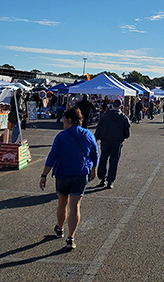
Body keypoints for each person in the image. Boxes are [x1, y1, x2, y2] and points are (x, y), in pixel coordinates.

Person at [40, 106, 98, 250]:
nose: (62, 122)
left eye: (64, 119)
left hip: (63, 174)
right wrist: (93, 168)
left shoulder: (61, 136)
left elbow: (52, 156)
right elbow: (94, 154)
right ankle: (71, 238)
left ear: (69, 120)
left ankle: (60, 228)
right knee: (75, 206)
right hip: (80, 173)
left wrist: (44, 175)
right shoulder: (88, 134)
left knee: (62, 203)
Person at [94, 99, 131, 189]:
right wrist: (122, 137)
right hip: (116, 142)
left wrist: (97, 137)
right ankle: (110, 181)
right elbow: (127, 133)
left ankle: (102, 178)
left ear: (112, 106)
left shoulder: (105, 115)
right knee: (113, 162)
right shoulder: (123, 117)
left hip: (105, 141)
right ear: (120, 107)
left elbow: (99, 127)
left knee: (103, 159)